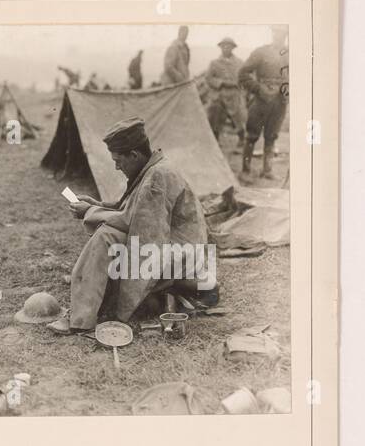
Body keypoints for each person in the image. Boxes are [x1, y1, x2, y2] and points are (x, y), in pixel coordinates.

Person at [48, 117, 214, 334]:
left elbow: (142, 229)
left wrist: (90, 212)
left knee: (106, 236)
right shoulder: (153, 168)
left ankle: (80, 320)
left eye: (119, 161)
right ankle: (108, 300)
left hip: (182, 256)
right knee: (109, 234)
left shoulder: (157, 177)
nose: (117, 167)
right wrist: (97, 205)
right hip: (175, 247)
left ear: (134, 155)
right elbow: (134, 211)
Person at [239, 27, 289, 177]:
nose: (278, 36)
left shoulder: (291, 53)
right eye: (276, 32)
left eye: (282, 33)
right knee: (252, 134)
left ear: (285, 35)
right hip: (261, 100)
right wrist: (257, 88)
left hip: (280, 101)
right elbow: (243, 73)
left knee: (272, 135)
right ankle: (245, 170)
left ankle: (267, 170)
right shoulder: (261, 52)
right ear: (272, 33)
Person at [205, 38, 247, 144]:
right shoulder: (214, 63)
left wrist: (237, 84)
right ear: (220, 48)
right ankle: (215, 140)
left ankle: (242, 139)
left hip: (234, 94)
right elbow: (208, 78)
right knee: (214, 113)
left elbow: (244, 77)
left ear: (233, 48)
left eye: (228, 46)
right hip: (219, 93)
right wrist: (221, 83)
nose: (226, 48)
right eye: (223, 46)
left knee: (239, 116)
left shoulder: (239, 63)